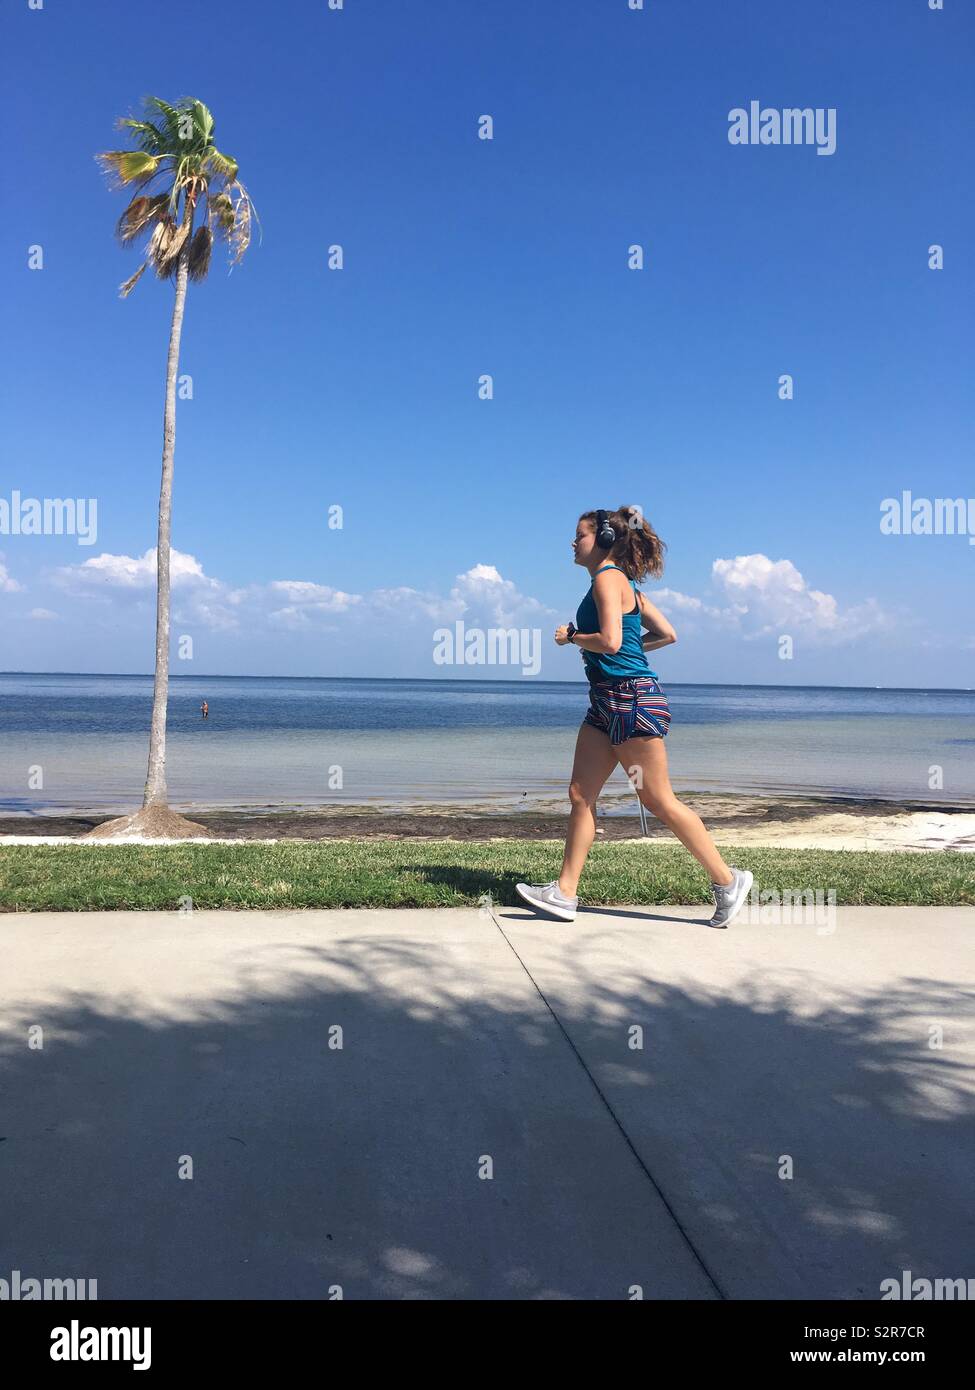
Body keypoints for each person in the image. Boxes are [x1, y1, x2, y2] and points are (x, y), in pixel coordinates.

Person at [516, 506, 753, 928]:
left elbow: (609, 640)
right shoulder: (622, 585)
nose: (573, 543)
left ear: (604, 539)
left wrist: (571, 637)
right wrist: (629, 648)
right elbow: (666, 634)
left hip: (631, 699)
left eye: (580, 535)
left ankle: (728, 881)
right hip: (605, 703)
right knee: (579, 794)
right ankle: (564, 894)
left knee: (656, 798)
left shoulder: (609, 579)